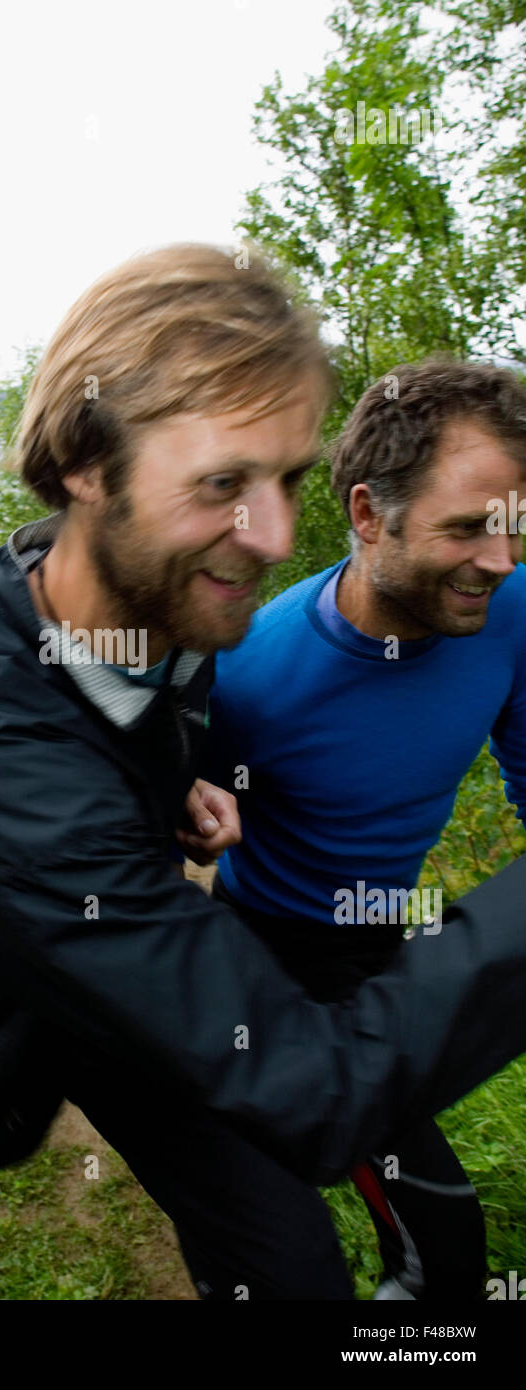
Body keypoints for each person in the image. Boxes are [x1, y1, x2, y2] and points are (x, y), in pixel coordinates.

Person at [0, 245, 526, 1302]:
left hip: (138, 984)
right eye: (222, 484)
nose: (276, 535)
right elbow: (320, 1086)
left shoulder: (147, 582)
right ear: (85, 461)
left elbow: (142, 719)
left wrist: (174, 793)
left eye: (286, 478)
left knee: (292, 1274)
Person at [206, 358, 526, 1299]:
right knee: (320, 1253)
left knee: (447, 1261)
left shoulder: (507, 613)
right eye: (467, 529)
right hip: (267, 959)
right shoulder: (251, 675)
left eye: (511, 525)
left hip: (394, 941)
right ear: (366, 515)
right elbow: (157, 831)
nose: (499, 561)